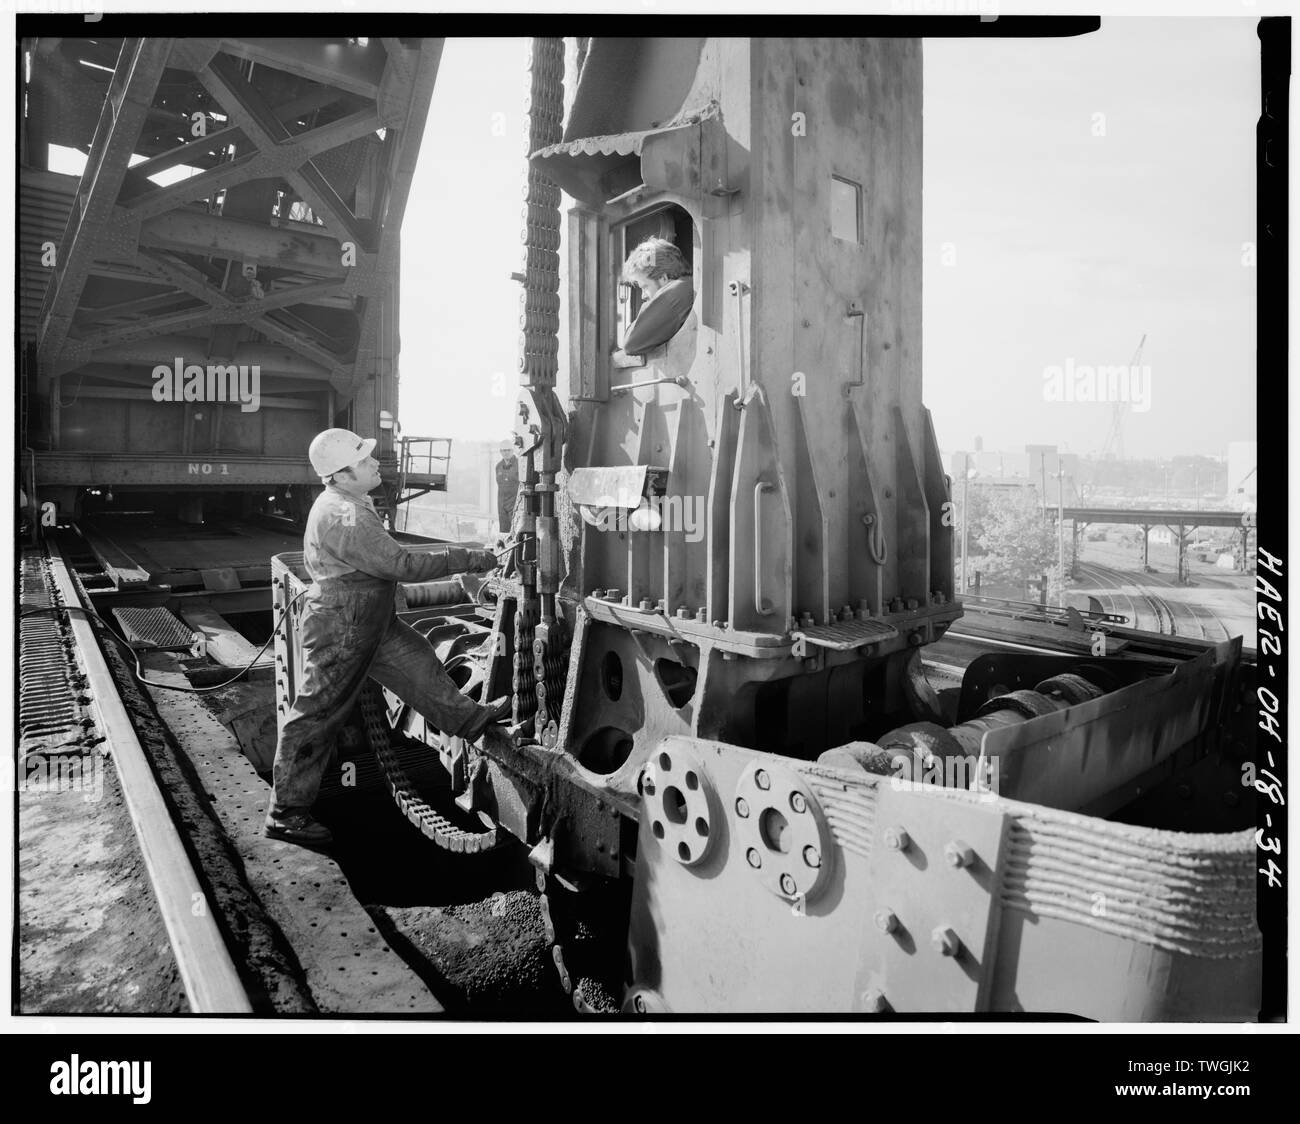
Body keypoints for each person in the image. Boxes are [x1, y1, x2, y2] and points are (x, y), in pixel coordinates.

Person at [265, 427, 510, 846]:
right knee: (317, 715)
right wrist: (467, 557)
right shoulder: (344, 514)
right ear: (340, 475)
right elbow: (401, 565)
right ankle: (286, 813)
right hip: (342, 626)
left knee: (418, 663)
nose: (375, 463)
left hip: (369, 621)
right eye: (363, 460)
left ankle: (469, 719)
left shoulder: (353, 503)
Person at [613, 236, 695, 360]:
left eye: (645, 287)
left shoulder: (677, 292)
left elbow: (631, 343)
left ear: (663, 278)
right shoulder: (687, 286)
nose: (643, 295)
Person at [494, 439, 520, 535]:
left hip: (514, 502)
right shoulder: (498, 466)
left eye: (508, 450)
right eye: (504, 450)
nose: (506, 453)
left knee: (515, 530)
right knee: (504, 532)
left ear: (513, 451)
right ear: (501, 452)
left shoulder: (519, 464)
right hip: (502, 503)